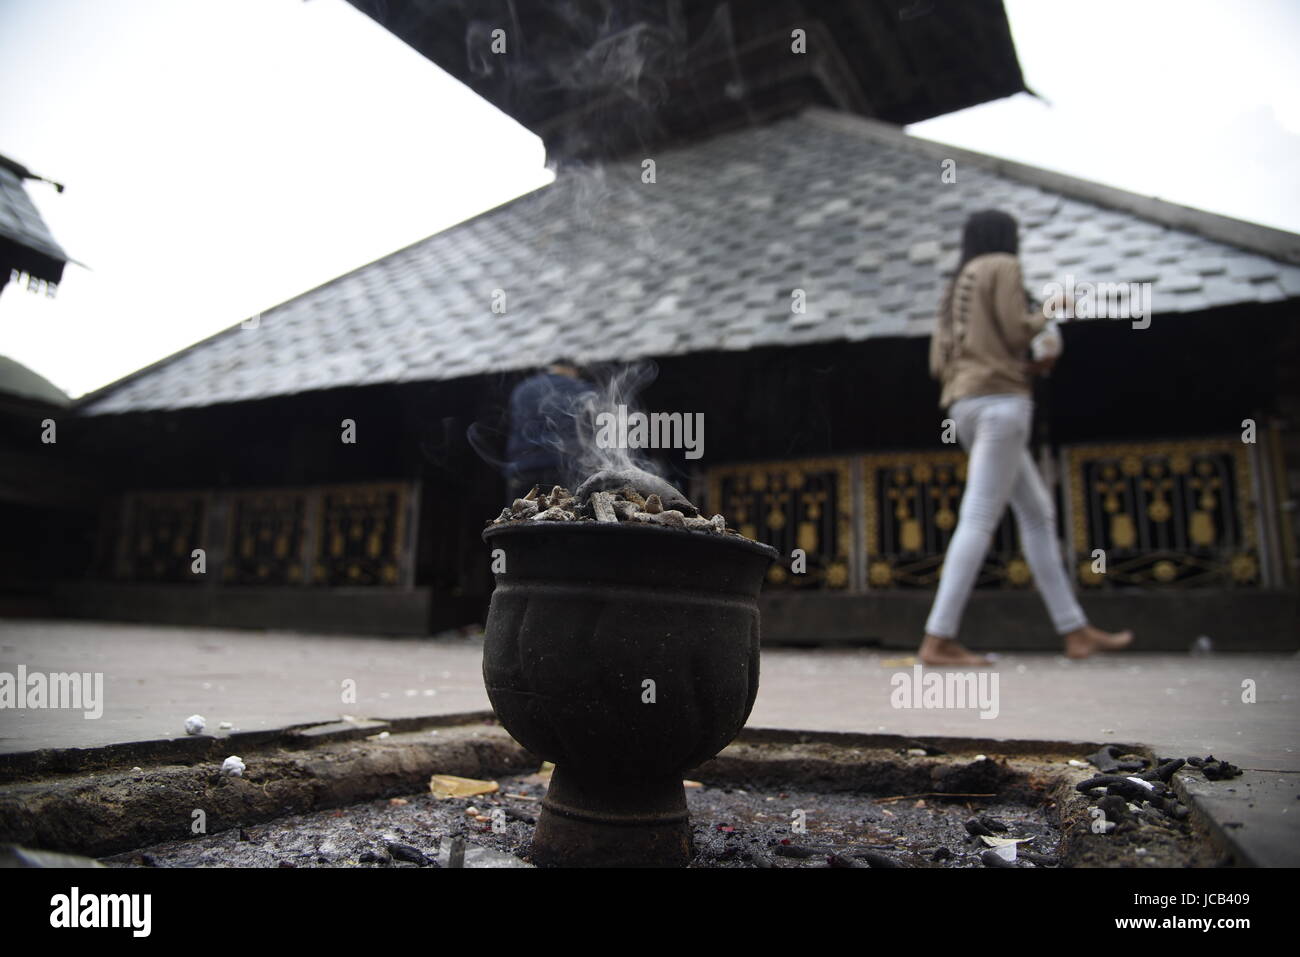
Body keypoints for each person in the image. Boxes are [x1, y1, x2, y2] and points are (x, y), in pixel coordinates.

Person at [920, 210, 1133, 666]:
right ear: (1007, 237)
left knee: (1037, 513)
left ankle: (1075, 630)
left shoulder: (953, 286)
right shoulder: (1004, 267)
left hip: (963, 405)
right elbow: (1018, 330)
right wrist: (1051, 310)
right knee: (979, 516)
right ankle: (937, 638)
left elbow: (938, 363)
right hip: (1001, 404)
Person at [502, 359, 594, 501]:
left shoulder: (522, 389)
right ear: (574, 367)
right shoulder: (586, 390)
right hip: (568, 470)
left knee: (520, 517)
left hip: (524, 471)